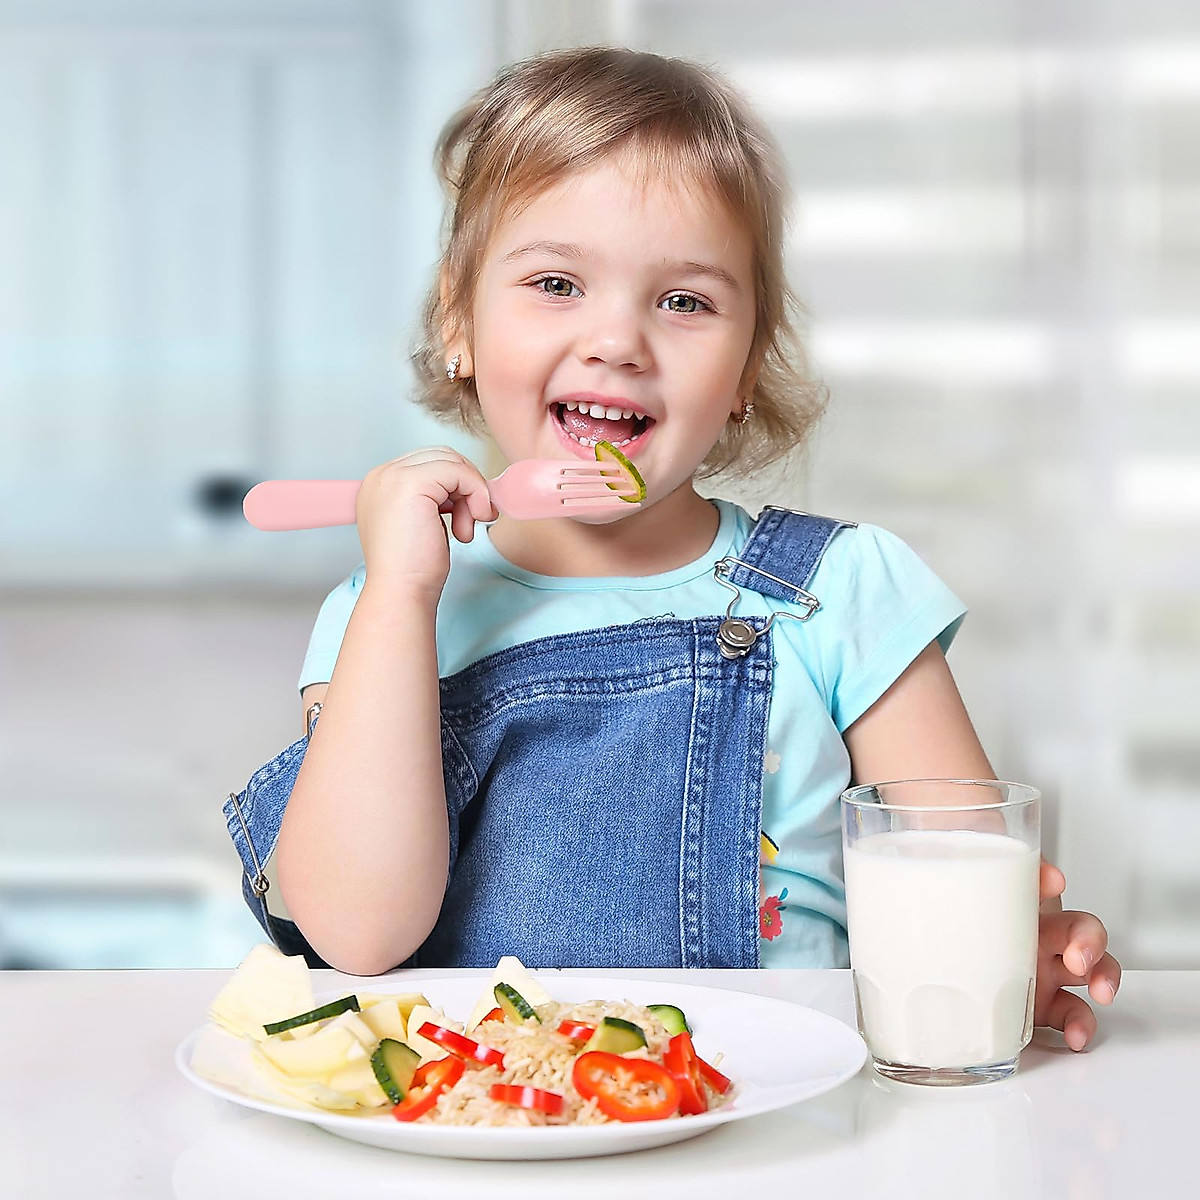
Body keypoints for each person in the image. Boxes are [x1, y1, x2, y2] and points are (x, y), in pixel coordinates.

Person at [224, 46, 1119, 1052]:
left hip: (781, 1104)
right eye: (556, 282)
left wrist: (1017, 956)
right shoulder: (385, 612)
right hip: (491, 1110)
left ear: (746, 368)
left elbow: (958, 897)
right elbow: (354, 933)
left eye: (685, 301)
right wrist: (398, 594)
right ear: (458, 321)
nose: (617, 340)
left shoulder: (839, 591)